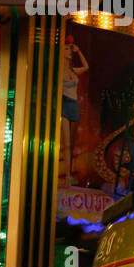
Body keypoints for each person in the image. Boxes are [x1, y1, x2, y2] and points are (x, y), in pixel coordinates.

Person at [60, 33, 89, 184]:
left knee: (72, 142)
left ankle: (69, 174)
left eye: (69, 50)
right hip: (64, 103)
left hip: (74, 104)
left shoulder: (73, 70)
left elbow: (86, 66)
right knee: (66, 142)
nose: (69, 52)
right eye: (66, 49)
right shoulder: (58, 70)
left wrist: (78, 51)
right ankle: (67, 175)